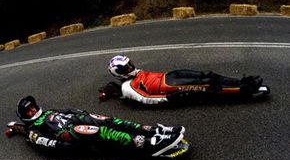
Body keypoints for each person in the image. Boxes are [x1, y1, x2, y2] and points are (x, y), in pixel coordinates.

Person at [13, 95, 185, 157]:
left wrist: (82, 113)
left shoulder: (48, 111)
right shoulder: (32, 130)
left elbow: (67, 110)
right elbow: (44, 142)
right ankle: (148, 143)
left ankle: (153, 130)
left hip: (82, 119)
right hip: (71, 134)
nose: (33, 110)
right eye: (28, 111)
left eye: (32, 107)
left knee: (112, 121)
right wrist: (63, 145)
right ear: (24, 116)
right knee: (104, 132)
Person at [99, 55, 264, 104]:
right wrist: (168, 98)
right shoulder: (127, 87)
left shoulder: (133, 74)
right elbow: (145, 98)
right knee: (207, 84)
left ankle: (240, 81)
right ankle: (244, 90)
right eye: (126, 67)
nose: (131, 67)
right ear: (119, 73)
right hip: (169, 85)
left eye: (130, 64)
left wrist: (106, 92)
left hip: (169, 75)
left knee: (207, 74)